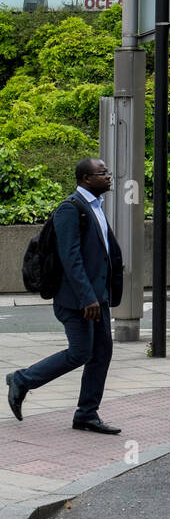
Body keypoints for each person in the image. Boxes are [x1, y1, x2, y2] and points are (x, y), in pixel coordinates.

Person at [6, 158, 124, 434]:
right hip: (79, 300)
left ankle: (86, 413)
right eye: (102, 173)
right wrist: (87, 298)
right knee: (80, 352)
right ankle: (22, 380)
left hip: (98, 298)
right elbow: (70, 259)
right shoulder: (70, 210)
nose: (108, 177)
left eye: (107, 172)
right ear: (85, 178)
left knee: (102, 353)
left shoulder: (94, 207)